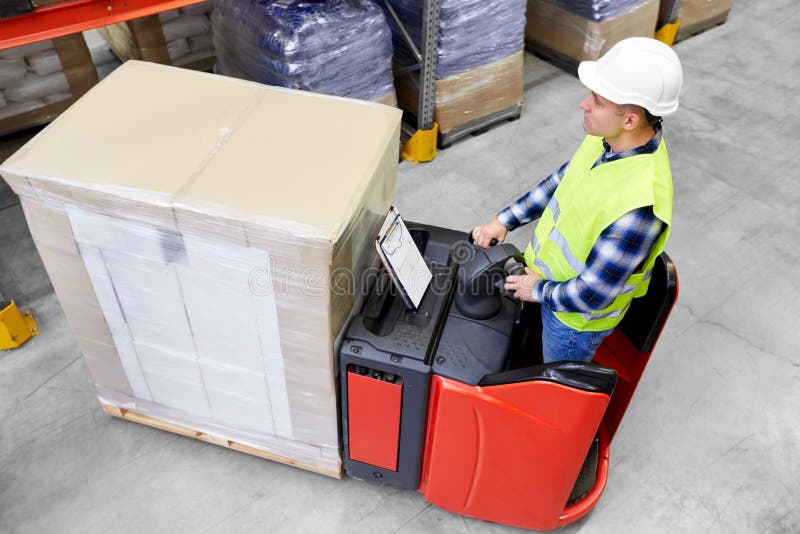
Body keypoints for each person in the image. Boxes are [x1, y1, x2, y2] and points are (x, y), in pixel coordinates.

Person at [471, 37, 683, 363]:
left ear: (630, 120)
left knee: (554, 388)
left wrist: (536, 291)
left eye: (597, 101)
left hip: (571, 320)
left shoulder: (640, 207)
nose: (584, 104)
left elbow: (593, 294)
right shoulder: (609, 142)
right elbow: (560, 182)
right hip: (545, 282)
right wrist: (505, 219)